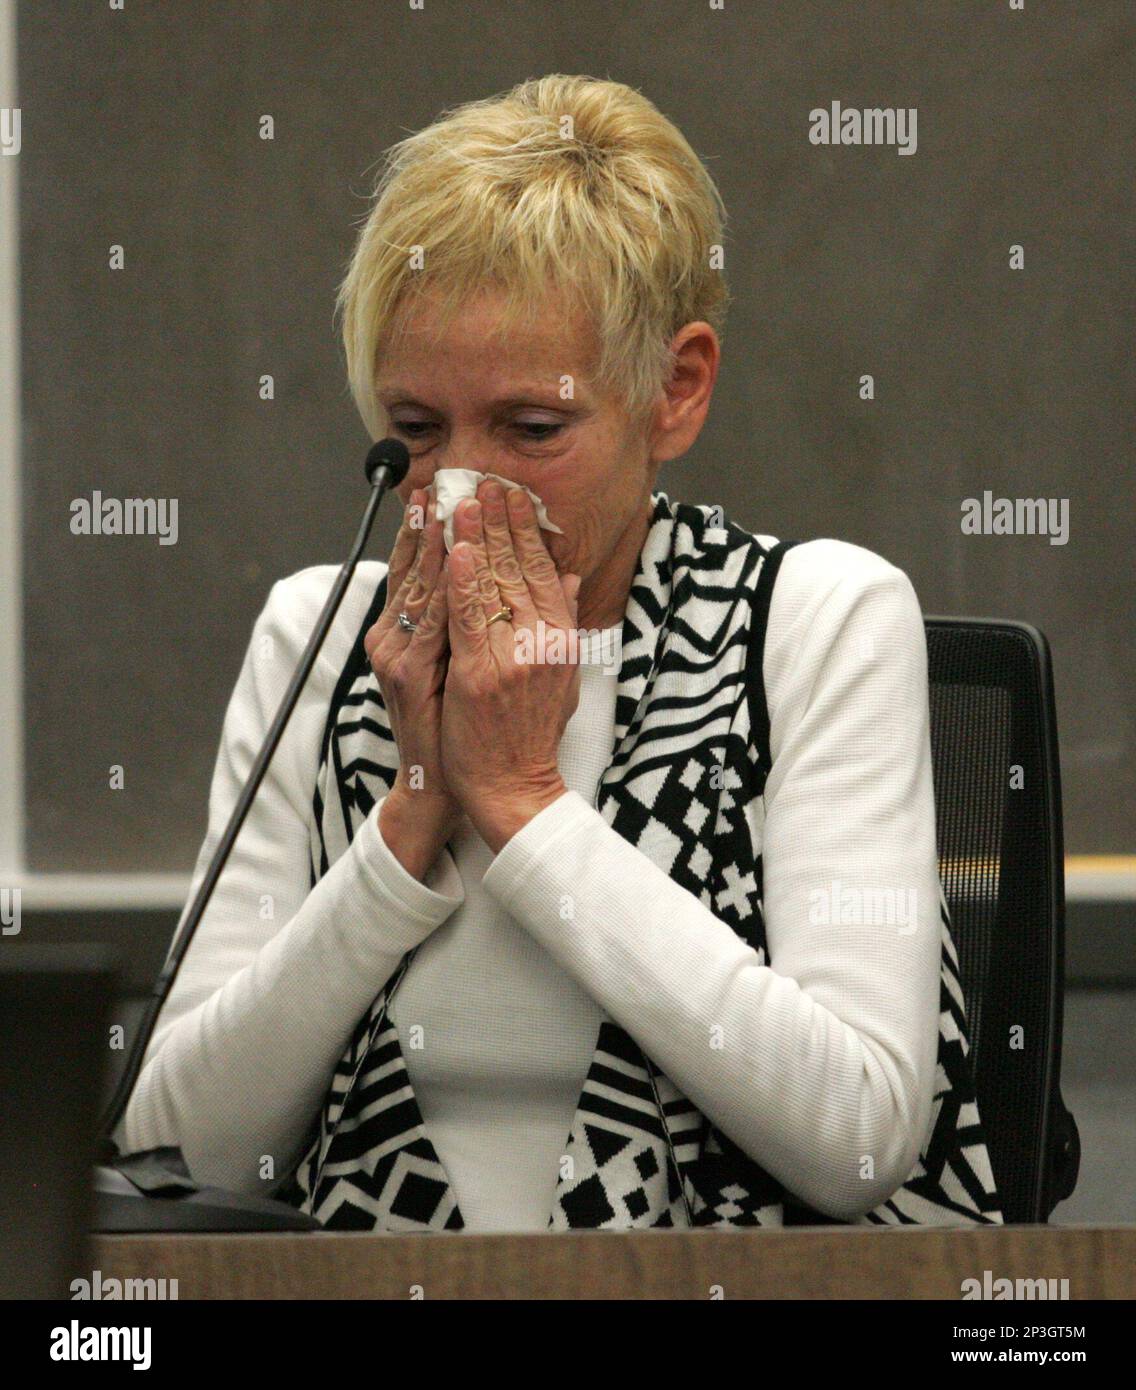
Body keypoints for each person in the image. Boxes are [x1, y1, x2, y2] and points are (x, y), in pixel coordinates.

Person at [118, 73, 1002, 1231]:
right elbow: (177, 1150)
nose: (460, 488)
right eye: (416, 432)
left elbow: (856, 1138)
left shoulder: (814, 618)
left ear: (674, 391)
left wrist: (528, 803)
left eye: (531, 428)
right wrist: (412, 816)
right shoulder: (321, 635)